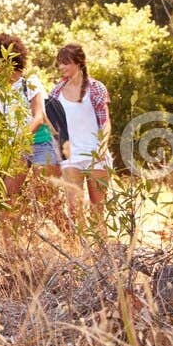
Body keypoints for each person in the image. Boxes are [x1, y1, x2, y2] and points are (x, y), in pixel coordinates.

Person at [0, 33, 60, 200]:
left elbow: (39, 117)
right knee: (6, 198)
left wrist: (19, 141)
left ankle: (65, 227)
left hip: (43, 145)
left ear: (4, 60)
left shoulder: (30, 81)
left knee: (47, 202)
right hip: (19, 150)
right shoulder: (1, 90)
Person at [49, 42, 112, 216]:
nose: (61, 67)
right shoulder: (56, 92)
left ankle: (101, 245)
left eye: (66, 62)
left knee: (97, 209)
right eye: (59, 63)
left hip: (96, 155)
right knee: (75, 211)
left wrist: (102, 146)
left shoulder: (96, 88)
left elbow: (105, 122)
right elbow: (53, 128)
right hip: (71, 158)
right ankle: (77, 245)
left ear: (79, 63)